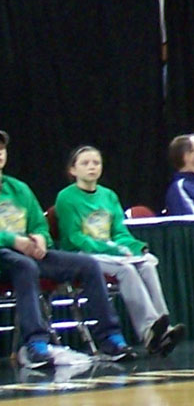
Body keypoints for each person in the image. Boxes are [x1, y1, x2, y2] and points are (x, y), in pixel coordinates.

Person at [0, 130, 135, 367]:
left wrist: (41, 239)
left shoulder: (19, 188)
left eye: (1, 149)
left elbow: (38, 223)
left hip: (27, 252)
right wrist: (13, 241)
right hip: (7, 255)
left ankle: (110, 338)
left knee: (88, 264)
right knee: (25, 266)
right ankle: (35, 344)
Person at [55, 145, 186, 356]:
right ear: (73, 170)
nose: (92, 167)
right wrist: (113, 250)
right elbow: (75, 237)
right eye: (85, 163)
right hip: (82, 255)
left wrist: (135, 248)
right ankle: (148, 330)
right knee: (126, 270)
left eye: (96, 163)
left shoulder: (109, 195)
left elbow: (119, 231)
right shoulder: (66, 197)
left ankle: (164, 327)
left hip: (111, 252)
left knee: (146, 264)